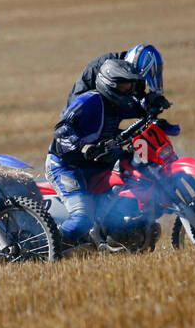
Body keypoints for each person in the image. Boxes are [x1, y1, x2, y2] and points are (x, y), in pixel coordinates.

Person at [46, 59, 156, 249]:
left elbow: (139, 108)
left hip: (98, 164)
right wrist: (82, 147)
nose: (128, 90)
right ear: (110, 84)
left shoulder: (118, 103)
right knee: (82, 219)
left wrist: (153, 102)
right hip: (66, 166)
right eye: (124, 85)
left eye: (130, 85)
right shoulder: (89, 101)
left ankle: (113, 237)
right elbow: (61, 129)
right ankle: (47, 247)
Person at [69, 44, 164, 103]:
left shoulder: (133, 72)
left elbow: (136, 98)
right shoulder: (97, 68)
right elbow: (75, 103)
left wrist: (153, 100)